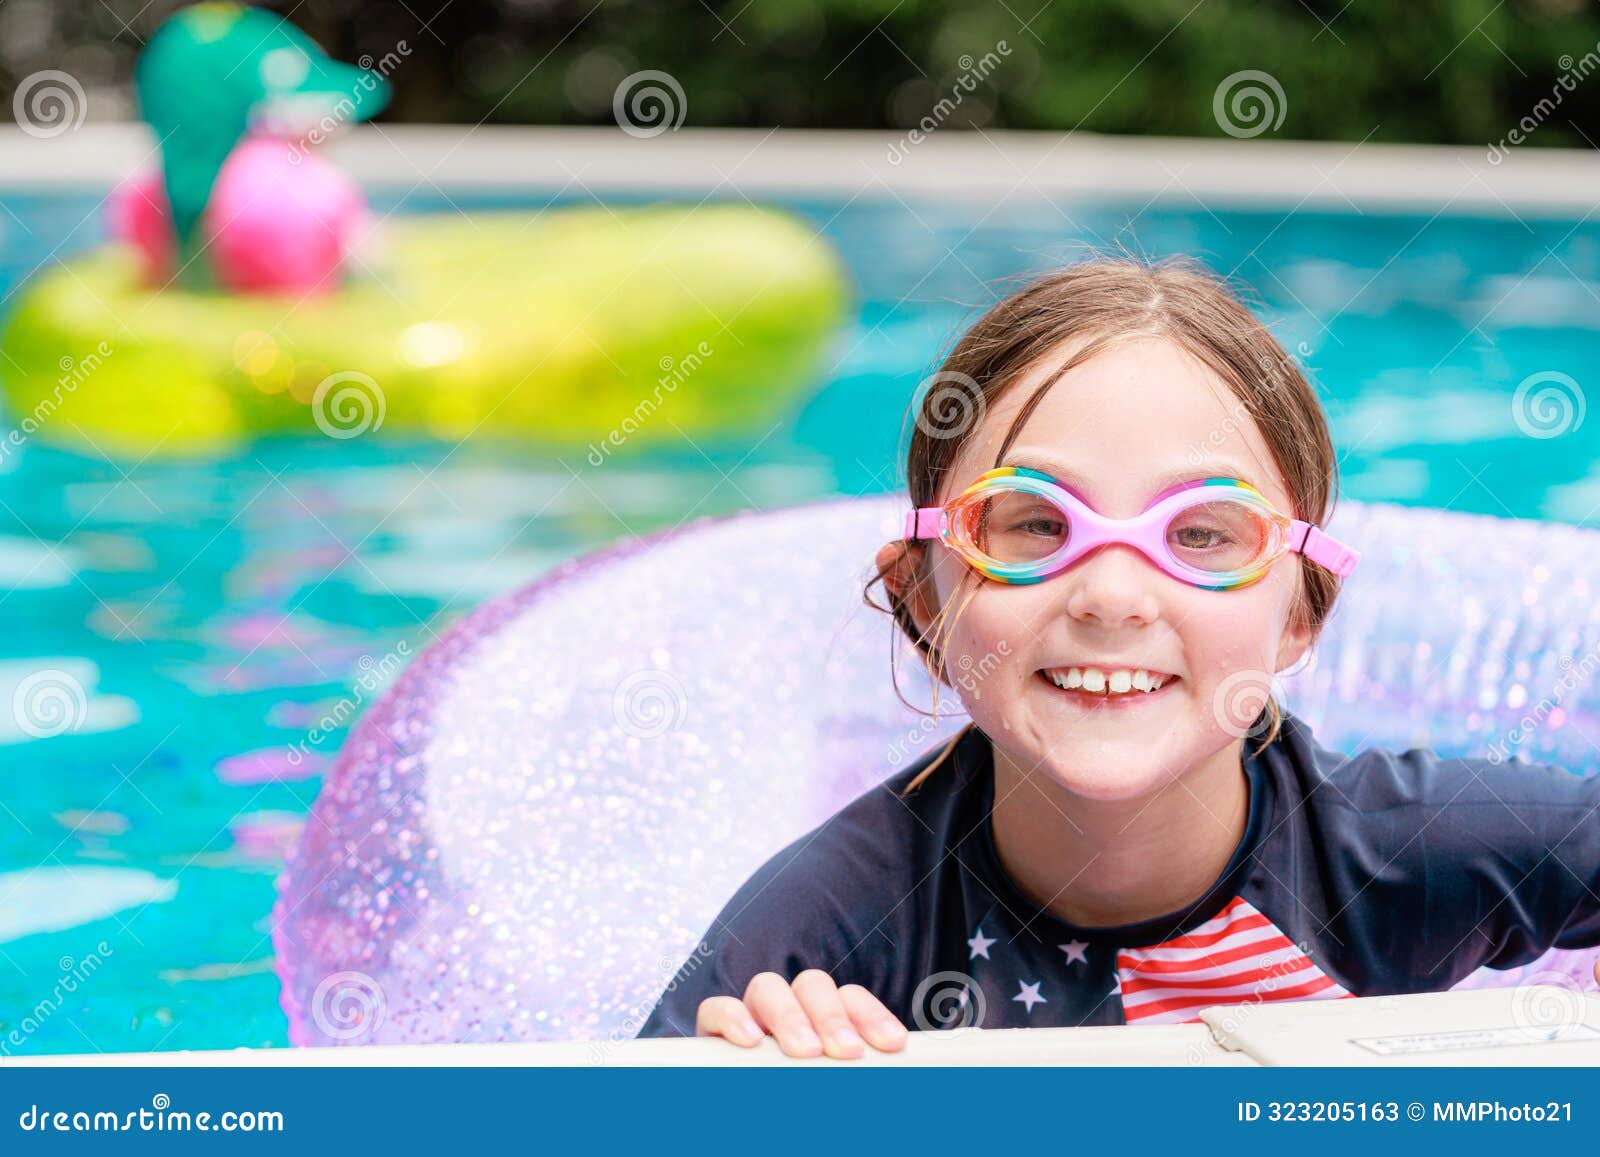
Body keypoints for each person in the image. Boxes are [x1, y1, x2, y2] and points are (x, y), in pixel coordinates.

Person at [636, 258, 1600, 1058]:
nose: (1110, 593)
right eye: (1034, 523)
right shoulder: (830, 928)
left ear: (1302, 613)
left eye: (1202, 534)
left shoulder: (1394, 852)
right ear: (924, 597)